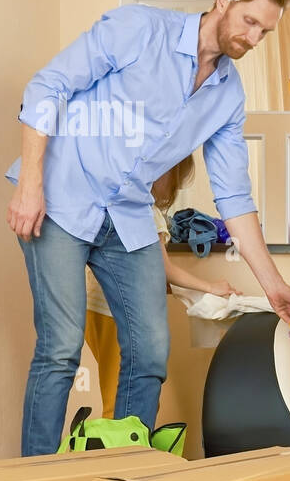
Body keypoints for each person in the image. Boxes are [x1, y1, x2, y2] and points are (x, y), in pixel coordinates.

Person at [6, 0, 290, 456]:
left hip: (127, 217)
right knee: (60, 349)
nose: (253, 38)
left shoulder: (228, 95)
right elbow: (48, 86)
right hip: (62, 199)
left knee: (149, 351)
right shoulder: (139, 29)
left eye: (264, 32)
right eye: (250, 22)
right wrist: (31, 183)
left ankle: (124, 475)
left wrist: (274, 286)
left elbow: (234, 197)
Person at [83, 156, 241, 419]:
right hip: (116, 313)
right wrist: (210, 286)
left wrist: (186, 291)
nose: (175, 190)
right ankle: (121, 455)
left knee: (121, 390)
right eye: (175, 181)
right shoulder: (147, 212)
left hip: (94, 307)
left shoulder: (119, 205)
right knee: (127, 397)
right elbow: (162, 269)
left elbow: (143, 273)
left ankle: (125, 449)